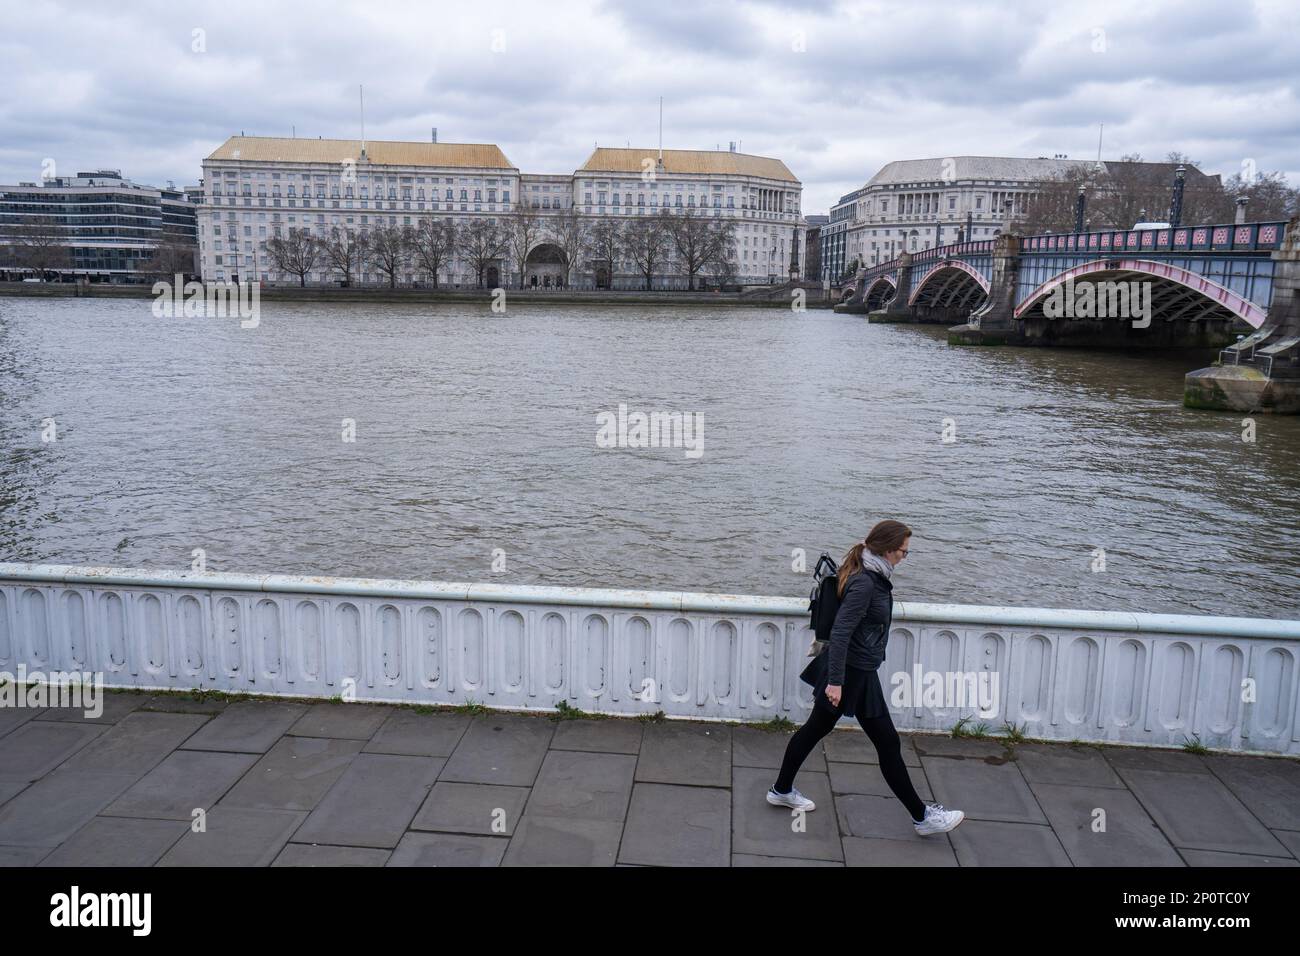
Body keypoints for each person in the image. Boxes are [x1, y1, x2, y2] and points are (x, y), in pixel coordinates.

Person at [767, 520, 965, 836]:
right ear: (886, 549)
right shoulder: (866, 583)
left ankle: (781, 790)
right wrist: (835, 682)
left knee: (824, 730)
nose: (904, 557)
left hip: (857, 671)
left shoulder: (871, 573)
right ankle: (922, 817)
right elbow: (842, 631)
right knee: (883, 742)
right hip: (849, 673)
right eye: (903, 551)